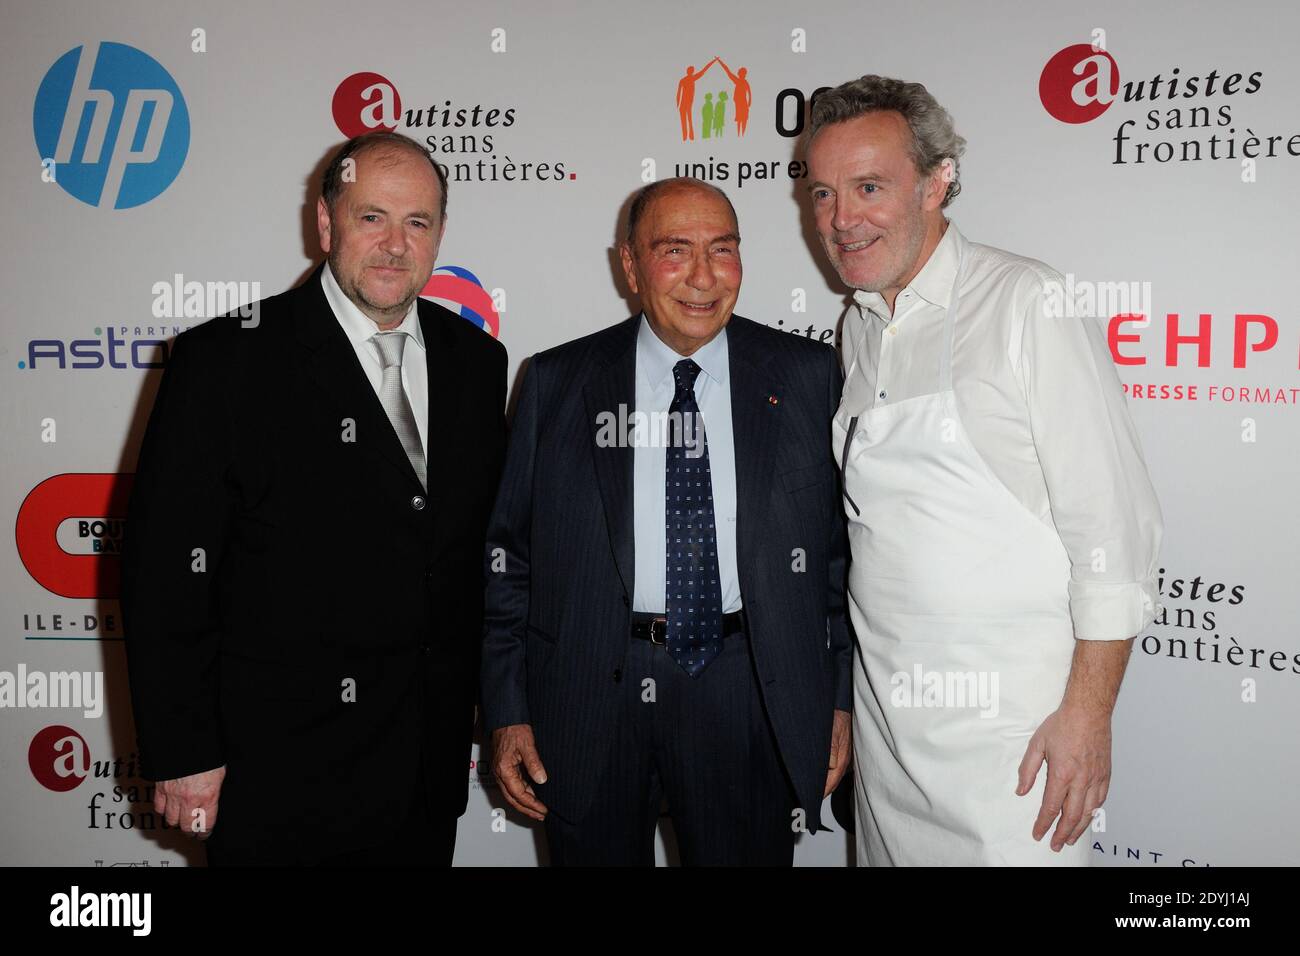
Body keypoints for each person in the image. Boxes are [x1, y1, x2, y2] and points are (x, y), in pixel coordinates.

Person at [120, 131, 507, 866]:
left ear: (439, 235)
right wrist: (184, 749)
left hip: (424, 766)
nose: (395, 244)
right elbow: (166, 570)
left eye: (417, 222)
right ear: (325, 224)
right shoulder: (228, 359)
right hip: (275, 773)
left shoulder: (476, 363)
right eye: (372, 218)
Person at [805, 75, 1163, 866]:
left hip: (1017, 746)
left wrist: (1087, 716)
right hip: (890, 740)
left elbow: (1116, 531)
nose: (841, 220)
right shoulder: (856, 327)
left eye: (870, 187)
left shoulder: (1025, 301)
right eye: (824, 194)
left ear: (938, 182)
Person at [480, 177, 852, 866]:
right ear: (629, 265)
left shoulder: (807, 377)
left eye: (723, 249)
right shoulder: (557, 381)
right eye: (674, 250)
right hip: (589, 696)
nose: (704, 276)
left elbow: (840, 560)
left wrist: (836, 699)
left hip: (750, 695)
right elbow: (509, 564)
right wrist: (506, 709)